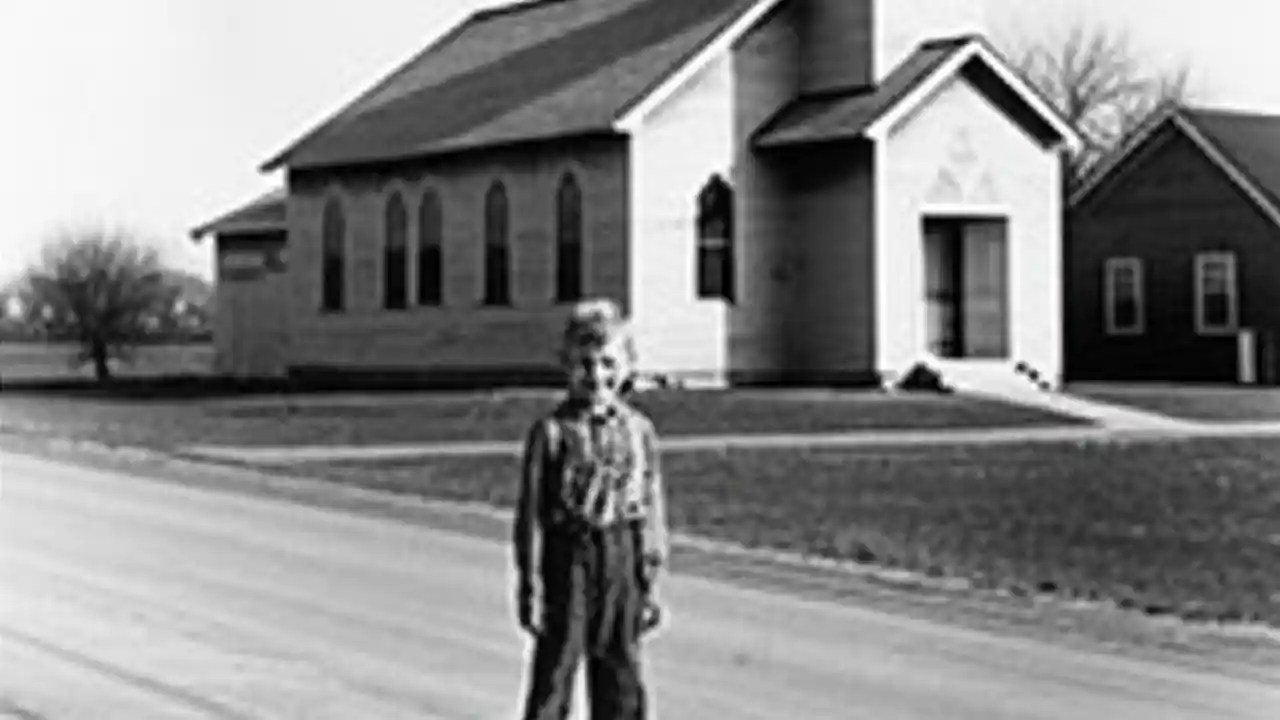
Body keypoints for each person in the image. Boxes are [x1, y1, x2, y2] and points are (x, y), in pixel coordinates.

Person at [513, 299, 668, 720]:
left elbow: (650, 506)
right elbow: (531, 516)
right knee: (556, 669)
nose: (597, 375)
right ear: (567, 365)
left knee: (621, 671)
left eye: (608, 363)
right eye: (585, 364)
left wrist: (650, 578)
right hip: (569, 557)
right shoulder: (551, 433)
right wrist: (530, 583)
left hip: (621, 555)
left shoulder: (639, 431)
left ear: (628, 366)